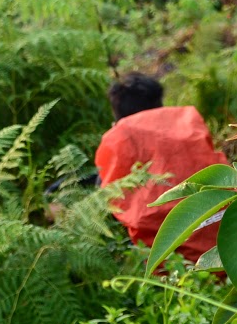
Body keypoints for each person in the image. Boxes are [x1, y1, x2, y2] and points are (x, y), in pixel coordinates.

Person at [94, 73, 229, 265]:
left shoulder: (119, 138)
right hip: (235, 243)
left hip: (175, 264)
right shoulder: (187, 124)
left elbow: (104, 196)